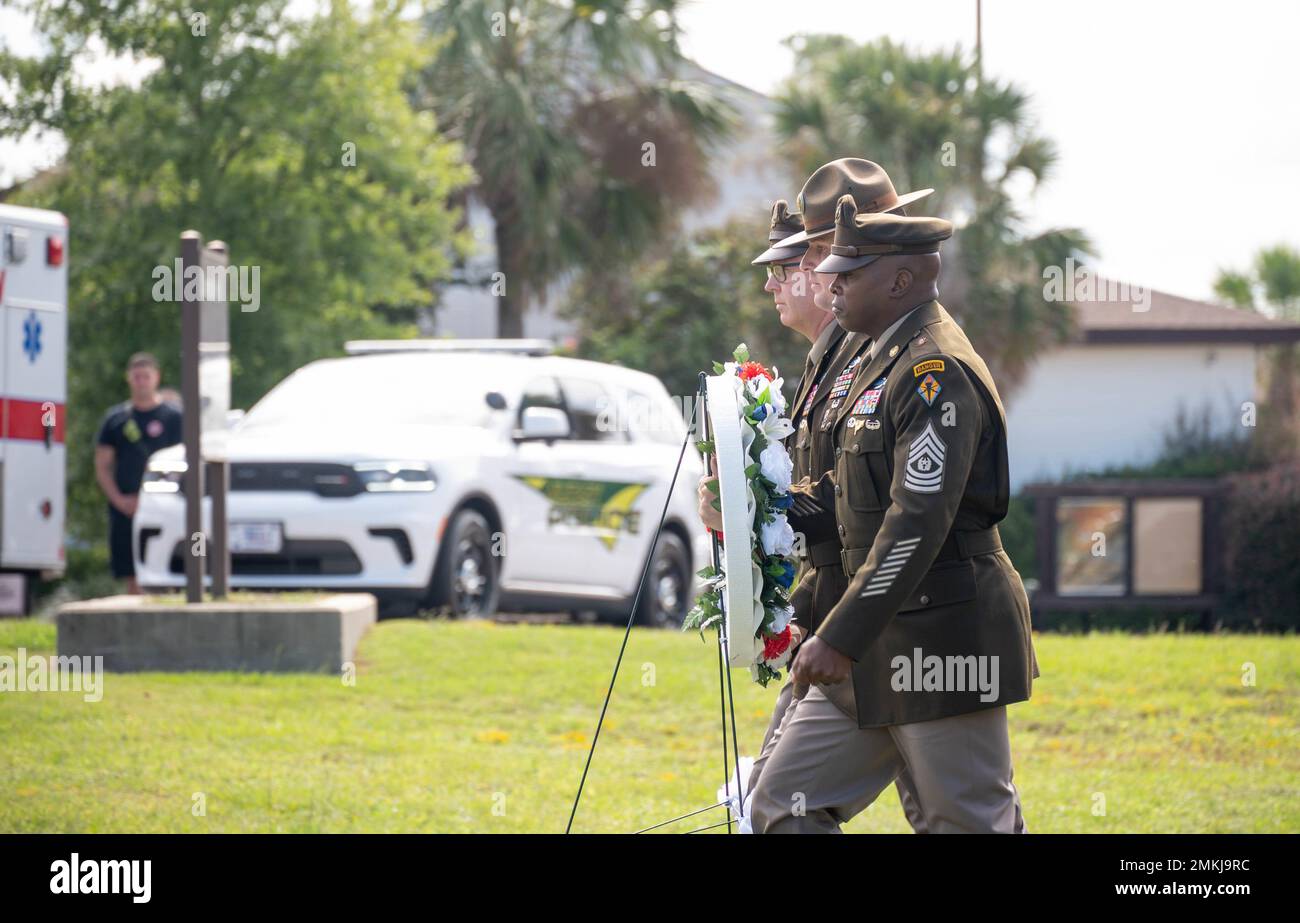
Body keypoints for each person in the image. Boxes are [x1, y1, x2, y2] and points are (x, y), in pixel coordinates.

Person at [748, 194, 1040, 834]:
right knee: (781, 806)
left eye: (849, 273)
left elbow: (915, 526)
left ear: (901, 281)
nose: (831, 282)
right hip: (872, 638)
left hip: (944, 639)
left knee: (963, 824)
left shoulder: (935, 370)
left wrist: (839, 636)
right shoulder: (875, 360)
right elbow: (851, 502)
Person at [95, 353, 183, 594]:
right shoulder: (116, 420)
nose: (141, 381)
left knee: (170, 568)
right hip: (126, 506)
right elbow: (103, 466)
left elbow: (186, 461)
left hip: (165, 505)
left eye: (146, 376)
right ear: (129, 379)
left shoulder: (174, 418)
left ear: (156, 378)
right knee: (131, 573)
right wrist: (120, 501)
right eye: (137, 377)